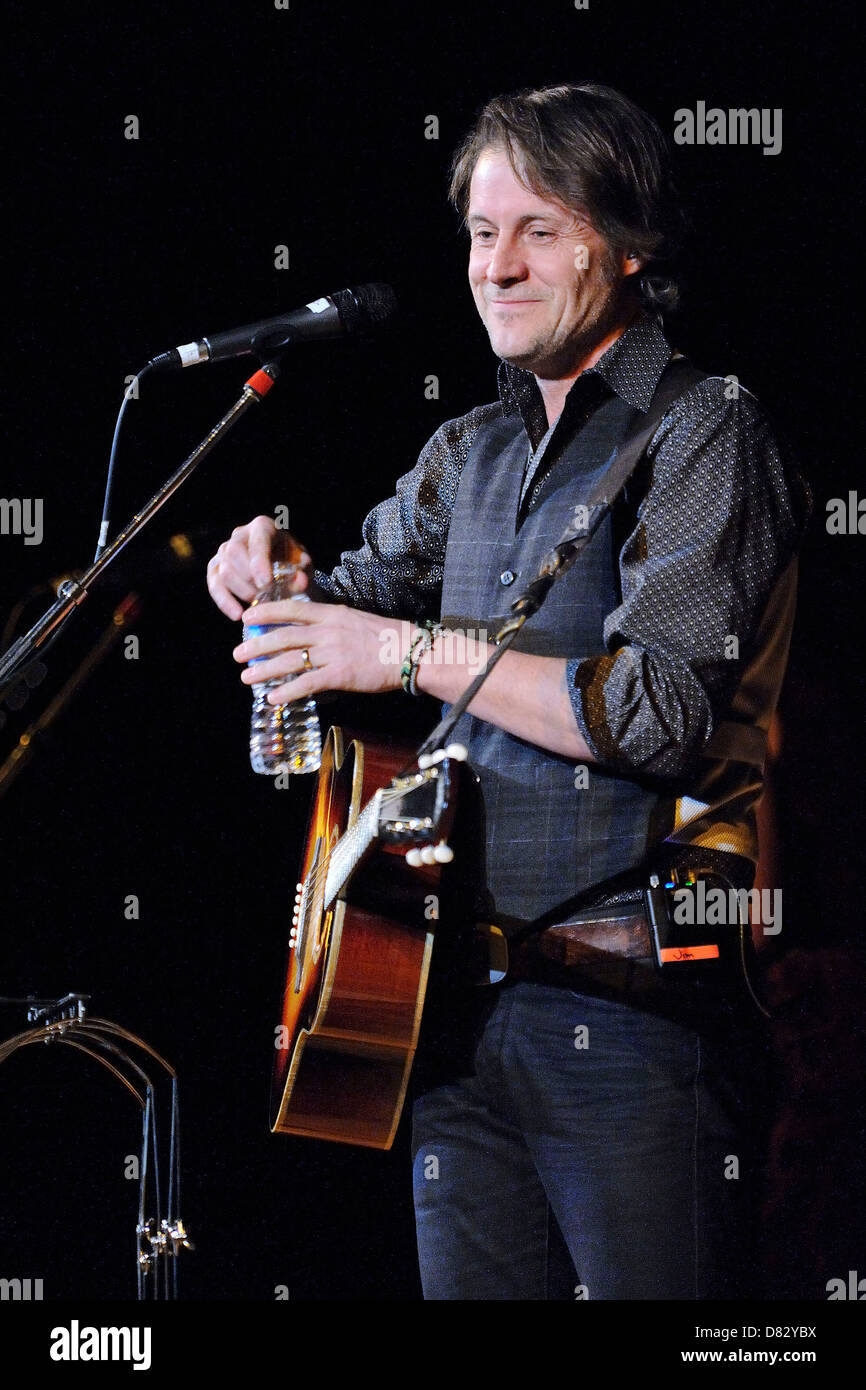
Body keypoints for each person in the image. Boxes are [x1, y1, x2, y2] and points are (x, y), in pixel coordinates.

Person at [207, 82, 811, 1299]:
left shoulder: (704, 428)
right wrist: (268, 569)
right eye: (482, 234)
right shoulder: (465, 453)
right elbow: (343, 592)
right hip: (445, 1019)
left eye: (539, 229)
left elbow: (650, 714)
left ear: (627, 243)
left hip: (636, 1018)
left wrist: (404, 653)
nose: (497, 265)